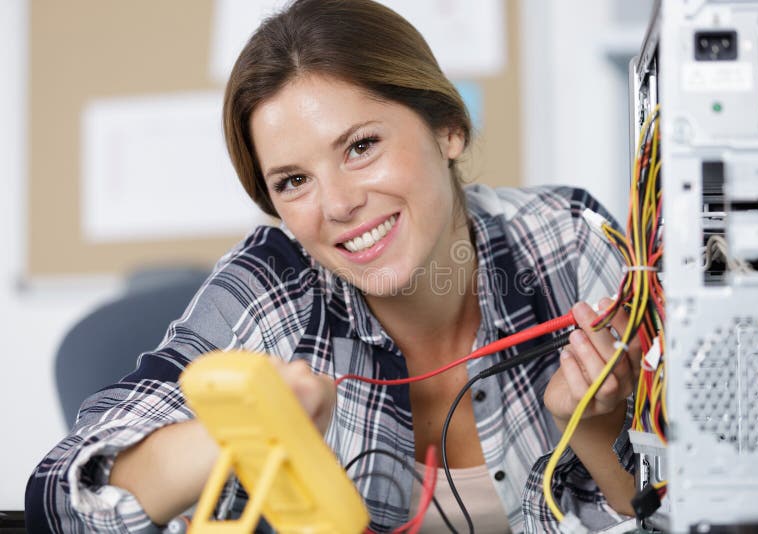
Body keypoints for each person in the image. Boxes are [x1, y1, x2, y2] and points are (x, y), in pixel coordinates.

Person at [26, 0, 641, 532]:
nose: (339, 205)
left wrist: (595, 433)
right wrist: (248, 432)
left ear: (448, 128)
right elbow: (58, 496)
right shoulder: (272, 287)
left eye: (361, 146)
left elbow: (694, 503)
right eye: (294, 181)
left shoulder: (566, 242)